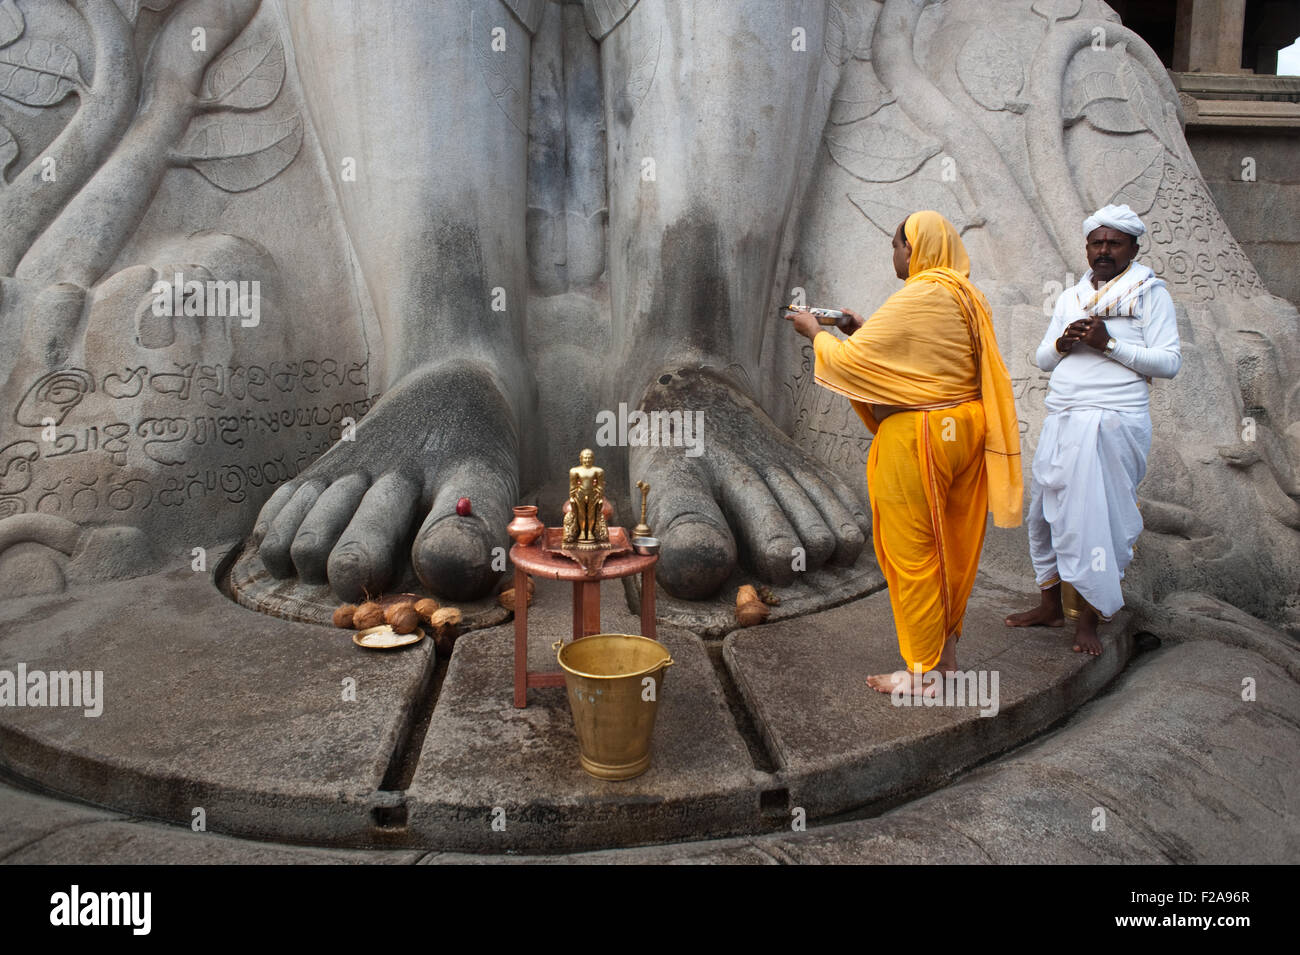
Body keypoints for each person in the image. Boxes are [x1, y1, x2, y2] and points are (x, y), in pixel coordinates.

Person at [787, 210, 1022, 695]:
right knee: (949, 547)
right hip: (964, 429)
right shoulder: (964, 294)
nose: (893, 255)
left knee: (914, 552)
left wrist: (817, 332)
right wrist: (858, 325)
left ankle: (922, 674)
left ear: (914, 248)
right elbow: (923, 362)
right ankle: (947, 663)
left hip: (920, 438)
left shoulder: (919, 293)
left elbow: (854, 364)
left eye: (896, 245)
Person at [1005, 203, 1181, 655]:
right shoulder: (1070, 297)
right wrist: (1063, 344)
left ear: (1132, 248)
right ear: (1087, 248)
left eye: (1114, 242)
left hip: (1113, 422)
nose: (1104, 250)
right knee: (1044, 514)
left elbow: (1169, 363)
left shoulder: (1149, 293)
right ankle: (1049, 605)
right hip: (1063, 416)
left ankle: (1088, 621)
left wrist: (1109, 344)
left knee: (1092, 523)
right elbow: (1042, 358)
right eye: (1096, 242)